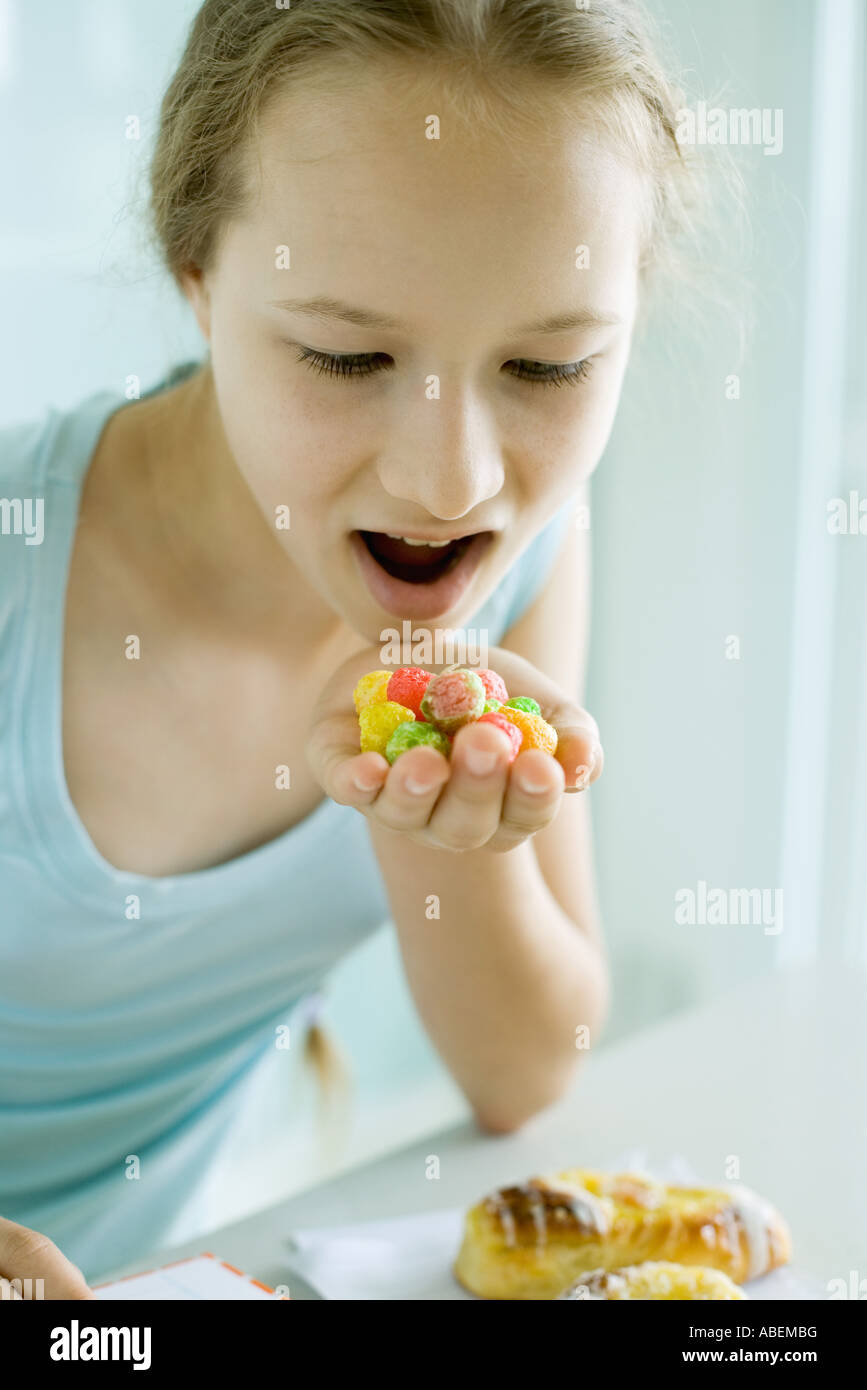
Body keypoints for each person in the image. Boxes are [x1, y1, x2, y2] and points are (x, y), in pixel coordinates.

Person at [0, 0, 699, 1293]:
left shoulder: (525, 551)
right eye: (348, 353)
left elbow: (525, 1069)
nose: (452, 478)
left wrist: (433, 801)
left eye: (548, 368)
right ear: (196, 276)